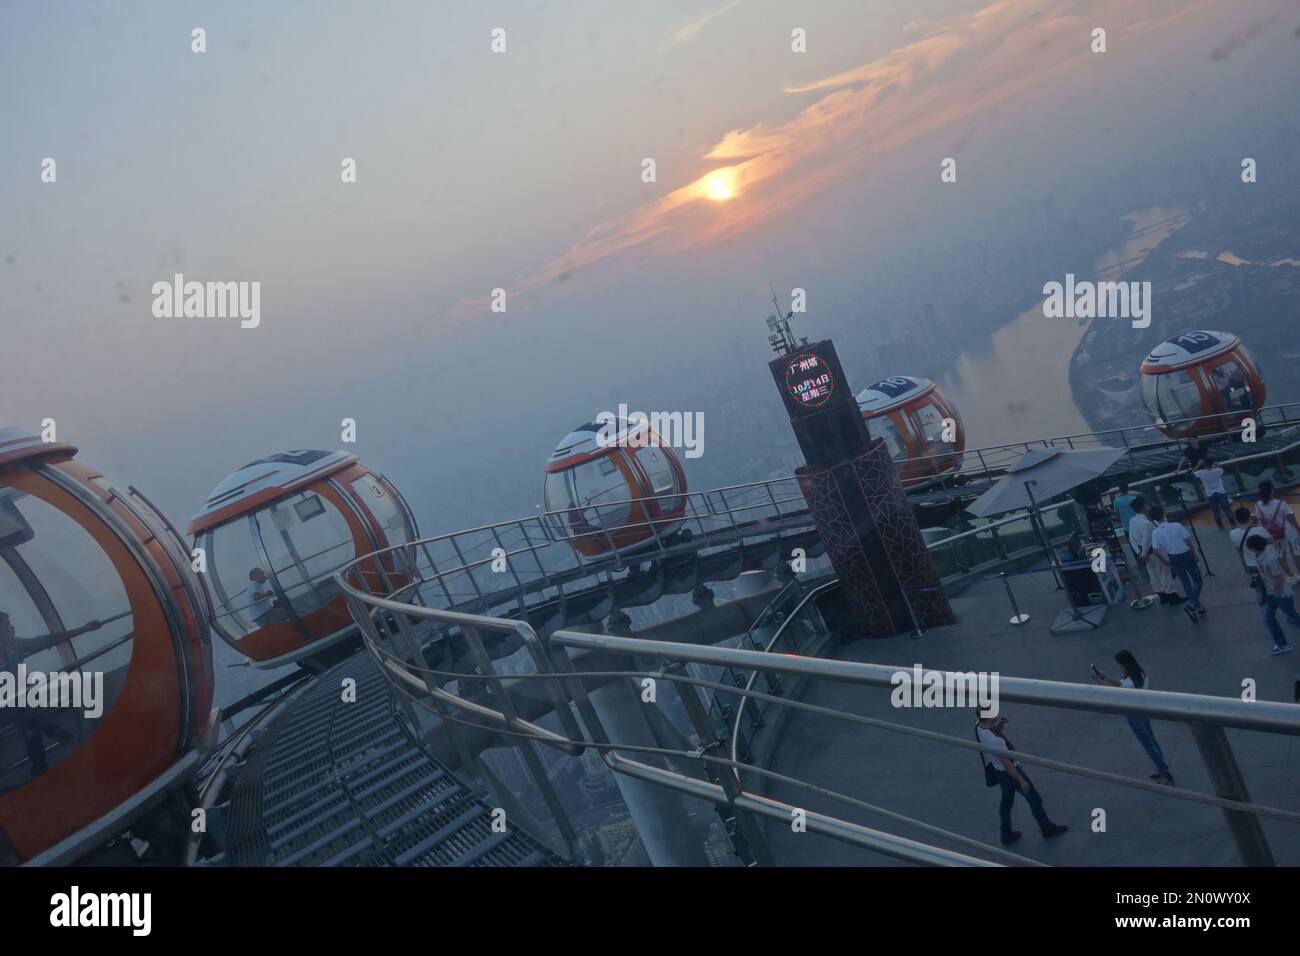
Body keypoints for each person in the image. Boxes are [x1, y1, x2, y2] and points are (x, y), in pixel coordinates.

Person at [0, 610, 102, 778]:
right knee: (25, 713)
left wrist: (83, 629)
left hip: (18, 705)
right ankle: (51, 740)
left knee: (26, 718)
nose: (13, 628)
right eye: (7, 626)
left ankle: (41, 767)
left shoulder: (14, 646)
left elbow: (46, 641)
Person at [975, 713, 1068, 847]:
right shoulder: (996, 741)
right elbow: (1007, 763)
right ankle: (1047, 829)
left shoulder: (978, 726)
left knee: (1006, 802)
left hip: (998, 771)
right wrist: (1021, 780)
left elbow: (990, 734)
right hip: (1009, 772)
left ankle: (1006, 834)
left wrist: (1000, 725)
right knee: (1034, 799)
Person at [1091, 652, 1174, 785]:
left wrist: (1099, 682)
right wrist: (1106, 678)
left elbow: (1119, 692)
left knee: (1148, 745)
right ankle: (1161, 765)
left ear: (1123, 664)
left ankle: (1163, 772)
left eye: (1118, 664)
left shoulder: (1129, 683)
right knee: (1152, 740)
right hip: (1144, 711)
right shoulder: (1141, 675)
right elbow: (1122, 684)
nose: (1118, 667)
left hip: (1134, 716)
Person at [1149, 504, 1205, 622]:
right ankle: (1192, 604)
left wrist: (1164, 561)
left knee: (1185, 582)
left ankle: (1198, 607)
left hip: (1173, 557)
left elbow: (1155, 550)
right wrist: (1194, 554)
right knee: (1197, 580)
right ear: (1164, 514)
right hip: (1186, 554)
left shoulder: (1155, 532)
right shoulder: (1176, 525)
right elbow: (1187, 541)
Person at [1245, 535, 1298, 655]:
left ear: (1253, 548)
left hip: (1280, 594)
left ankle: (1282, 644)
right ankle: (1282, 644)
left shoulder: (1269, 559)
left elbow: (1279, 578)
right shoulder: (1260, 555)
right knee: (1269, 617)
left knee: (1292, 617)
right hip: (1271, 593)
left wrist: (1277, 594)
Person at [1129, 497, 1182, 605]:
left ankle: (1162, 595)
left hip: (1142, 551)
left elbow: (1131, 538)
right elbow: (1147, 540)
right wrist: (1143, 553)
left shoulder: (1132, 520)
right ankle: (1171, 595)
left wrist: (1139, 553)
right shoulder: (1146, 523)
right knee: (1164, 572)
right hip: (1154, 551)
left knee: (1153, 573)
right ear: (1143, 506)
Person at [1255, 480, 1300, 576]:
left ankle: (1292, 577)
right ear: (1272, 491)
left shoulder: (1258, 506)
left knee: (1281, 556)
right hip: (1289, 531)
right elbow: (1292, 520)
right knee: (1296, 553)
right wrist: (1298, 531)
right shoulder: (1281, 504)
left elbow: (1262, 522)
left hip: (1274, 534)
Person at [1193, 458, 1236, 530]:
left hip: (1210, 494)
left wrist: (1198, 464)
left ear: (1204, 464)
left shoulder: (1201, 472)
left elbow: (1192, 472)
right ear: (1212, 464)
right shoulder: (1217, 470)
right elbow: (1221, 469)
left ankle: (1220, 526)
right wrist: (1216, 464)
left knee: (1216, 512)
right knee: (1227, 510)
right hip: (1221, 492)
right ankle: (1233, 524)